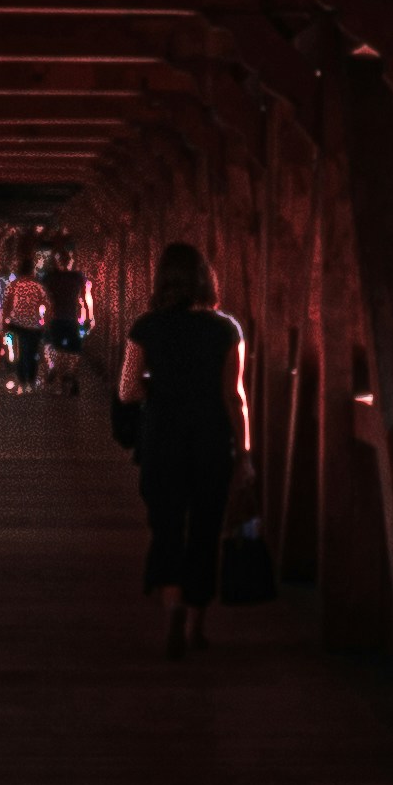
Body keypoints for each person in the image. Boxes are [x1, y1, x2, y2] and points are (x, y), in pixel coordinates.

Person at [116, 239, 251, 657]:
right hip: (211, 440)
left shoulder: (146, 327)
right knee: (206, 530)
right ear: (205, 278)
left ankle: (172, 605)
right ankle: (196, 624)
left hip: (162, 439)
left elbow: (127, 389)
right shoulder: (227, 329)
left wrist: (161, 390)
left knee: (168, 526)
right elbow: (235, 396)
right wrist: (244, 454)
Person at [0, 249, 49, 396]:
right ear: (32, 270)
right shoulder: (38, 287)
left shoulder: (14, 285)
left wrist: (5, 321)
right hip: (34, 325)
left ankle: (21, 381)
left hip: (16, 324)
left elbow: (7, 303)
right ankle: (30, 383)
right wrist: (45, 320)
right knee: (32, 354)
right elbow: (46, 304)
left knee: (19, 354)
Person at [42, 244, 91, 396]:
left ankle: (58, 375)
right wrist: (89, 316)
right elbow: (85, 298)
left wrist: (44, 317)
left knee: (57, 349)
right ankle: (70, 377)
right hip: (71, 319)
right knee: (74, 351)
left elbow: (45, 300)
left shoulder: (49, 278)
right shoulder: (77, 277)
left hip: (57, 319)